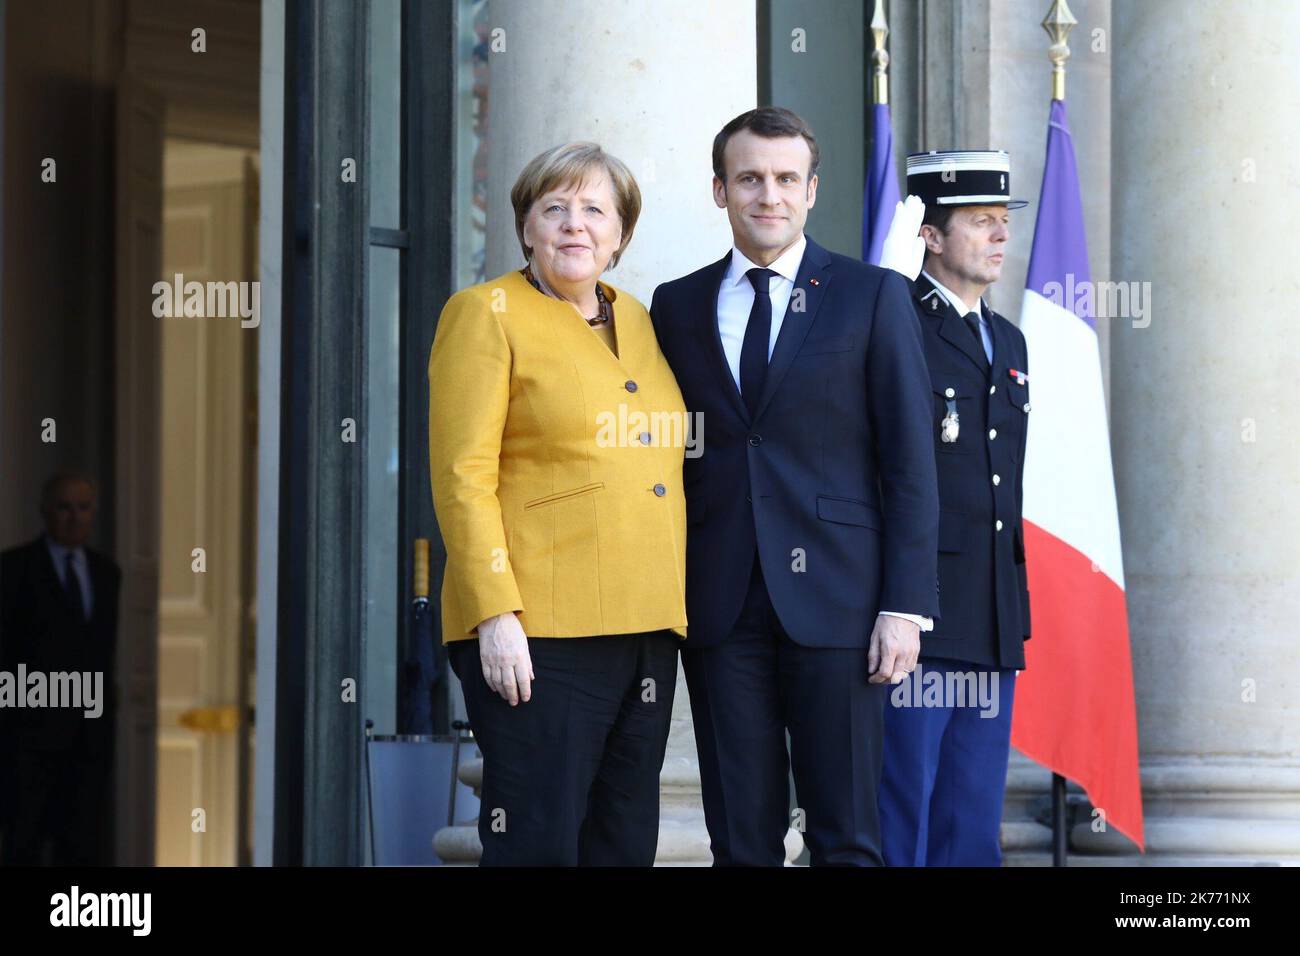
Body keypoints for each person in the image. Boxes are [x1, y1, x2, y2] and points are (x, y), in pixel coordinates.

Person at [649, 107, 939, 866]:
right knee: (740, 840)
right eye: (749, 178)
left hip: (843, 605)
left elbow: (911, 462)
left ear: (813, 191)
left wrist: (904, 606)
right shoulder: (674, 306)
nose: (767, 195)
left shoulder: (872, 295)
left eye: (785, 179)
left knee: (845, 837)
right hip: (718, 602)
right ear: (721, 190)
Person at [427, 141, 688, 866]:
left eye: (595, 211)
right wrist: (493, 612)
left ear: (621, 235)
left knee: (622, 842)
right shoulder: (486, 313)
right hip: (538, 629)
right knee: (537, 842)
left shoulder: (639, 319)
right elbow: (461, 473)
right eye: (556, 209)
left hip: (645, 626)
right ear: (526, 229)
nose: (576, 225)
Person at [876, 149, 1032, 866]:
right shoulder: (894, 323)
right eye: (979, 222)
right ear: (930, 235)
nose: (999, 236)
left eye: (1003, 222)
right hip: (920, 618)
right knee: (901, 813)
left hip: (990, 618)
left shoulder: (1007, 339)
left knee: (970, 827)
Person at [1, 473, 121, 866]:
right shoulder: (13, 569)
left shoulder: (108, 574)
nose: (74, 518)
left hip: (88, 741)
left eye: (84, 508)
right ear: (45, 512)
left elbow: (102, 654)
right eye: (64, 507)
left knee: (83, 846)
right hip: (29, 740)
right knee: (24, 845)